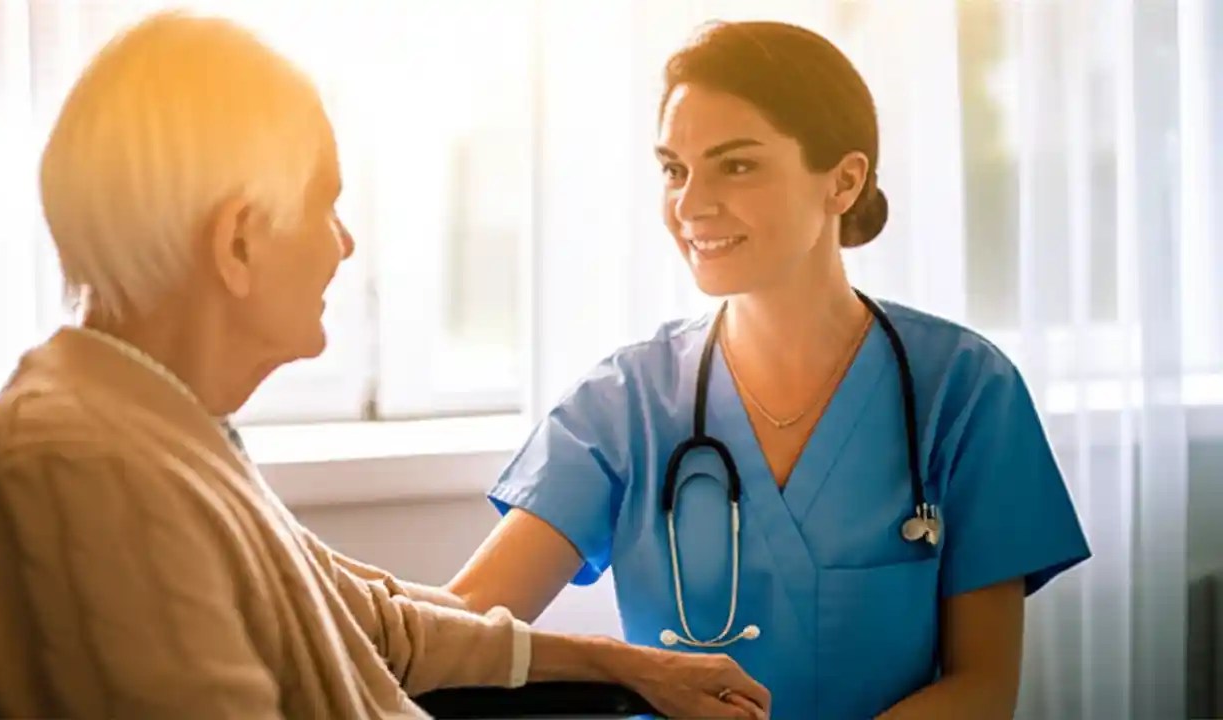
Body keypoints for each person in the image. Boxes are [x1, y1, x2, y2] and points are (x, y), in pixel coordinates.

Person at [0, 11, 771, 719]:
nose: (344, 244)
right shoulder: (80, 475)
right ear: (238, 241)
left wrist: (624, 663)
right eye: (325, 205)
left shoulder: (162, 428)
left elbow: (373, 626)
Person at [447, 20, 1092, 720]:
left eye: (737, 165)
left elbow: (984, 687)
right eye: (674, 169)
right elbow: (465, 627)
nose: (691, 204)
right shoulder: (624, 406)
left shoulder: (965, 392)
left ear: (844, 181)